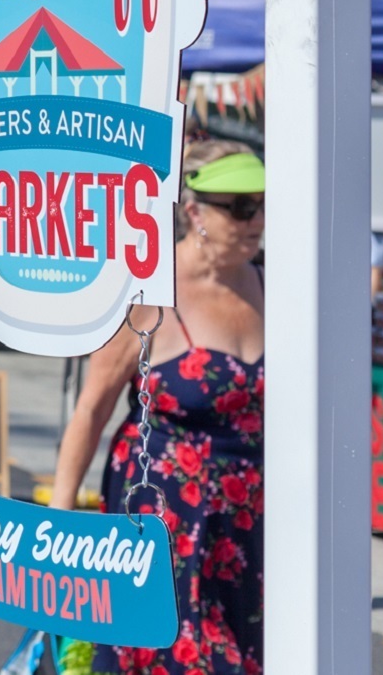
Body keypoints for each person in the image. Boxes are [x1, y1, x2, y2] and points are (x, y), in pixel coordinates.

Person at [49, 141, 266, 674]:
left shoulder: (273, 282)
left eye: (261, 205)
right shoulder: (150, 288)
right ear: (194, 212)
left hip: (248, 521)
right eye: (238, 207)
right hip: (162, 514)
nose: (254, 219)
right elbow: (92, 407)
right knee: (170, 656)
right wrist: (56, 522)